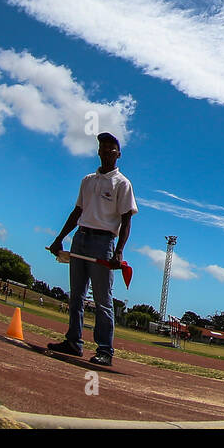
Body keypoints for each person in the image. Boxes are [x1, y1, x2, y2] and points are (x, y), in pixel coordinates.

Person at [46, 132, 136, 366]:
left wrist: (118, 251)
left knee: (102, 300)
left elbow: (126, 220)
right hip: (81, 238)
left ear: (119, 154)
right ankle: (73, 342)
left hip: (103, 243)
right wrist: (59, 239)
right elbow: (77, 212)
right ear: (98, 152)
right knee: (76, 295)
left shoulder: (122, 184)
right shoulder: (88, 180)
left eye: (111, 149)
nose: (106, 152)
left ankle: (105, 350)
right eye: (102, 148)